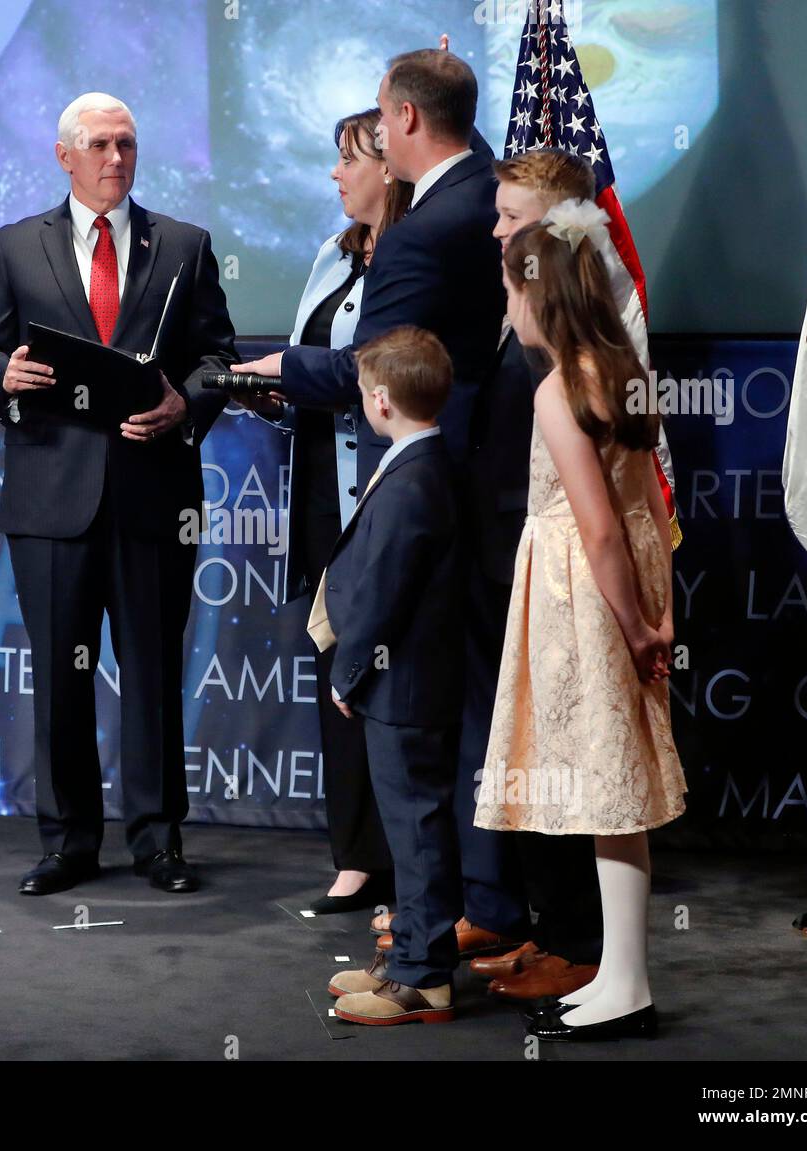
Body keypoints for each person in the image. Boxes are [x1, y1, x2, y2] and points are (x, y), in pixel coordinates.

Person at [236, 47, 530, 959]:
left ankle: (445, 928)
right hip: (493, 491)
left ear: (402, 121)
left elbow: (382, 369)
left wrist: (279, 368)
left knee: (430, 715)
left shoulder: (416, 234)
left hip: (430, 496)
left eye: (379, 115)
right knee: (481, 701)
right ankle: (479, 904)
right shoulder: (488, 189)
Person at [0, 92, 236, 896]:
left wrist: (189, 402)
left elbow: (215, 357)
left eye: (128, 144)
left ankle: (158, 841)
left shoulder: (184, 244)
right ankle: (69, 842)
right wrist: (1, 377)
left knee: (151, 673)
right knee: (59, 675)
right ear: (65, 156)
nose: (118, 158)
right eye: (102, 145)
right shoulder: (14, 248)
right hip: (52, 502)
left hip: (154, 498)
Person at [473, 207, 687, 1041]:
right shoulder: (623, 367)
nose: (505, 307)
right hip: (631, 570)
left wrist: (634, 626)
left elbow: (595, 523)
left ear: (536, 292)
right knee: (614, 790)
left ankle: (627, 985)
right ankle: (622, 977)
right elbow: (642, 508)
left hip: (584, 589)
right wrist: (655, 605)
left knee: (608, 785)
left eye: (508, 288)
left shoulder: (559, 386)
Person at [247, 108, 411, 914]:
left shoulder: (416, 258)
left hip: (387, 495)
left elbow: (366, 371)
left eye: (348, 160)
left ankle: (409, 866)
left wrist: (290, 368)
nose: (337, 176)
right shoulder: (330, 254)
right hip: (319, 494)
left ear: (390, 165)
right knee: (334, 672)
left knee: (392, 677)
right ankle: (354, 855)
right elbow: (306, 375)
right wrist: (265, 393)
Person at [462, 149, 609, 1004]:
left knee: (564, 755)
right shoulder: (524, 297)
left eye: (510, 215)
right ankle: (548, 929)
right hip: (510, 554)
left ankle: (581, 944)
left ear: (554, 225)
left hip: (559, 564)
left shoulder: (582, 317)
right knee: (528, 749)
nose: (496, 227)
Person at [313, 326, 463, 1025]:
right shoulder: (420, 463)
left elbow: (381, 594)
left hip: (400, 685)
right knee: (412, 828)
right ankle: (408, 950)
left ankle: (423, 976)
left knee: (417, 829)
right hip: (404, 683)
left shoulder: (412, 480)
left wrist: (347, 674)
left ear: (378, 401)